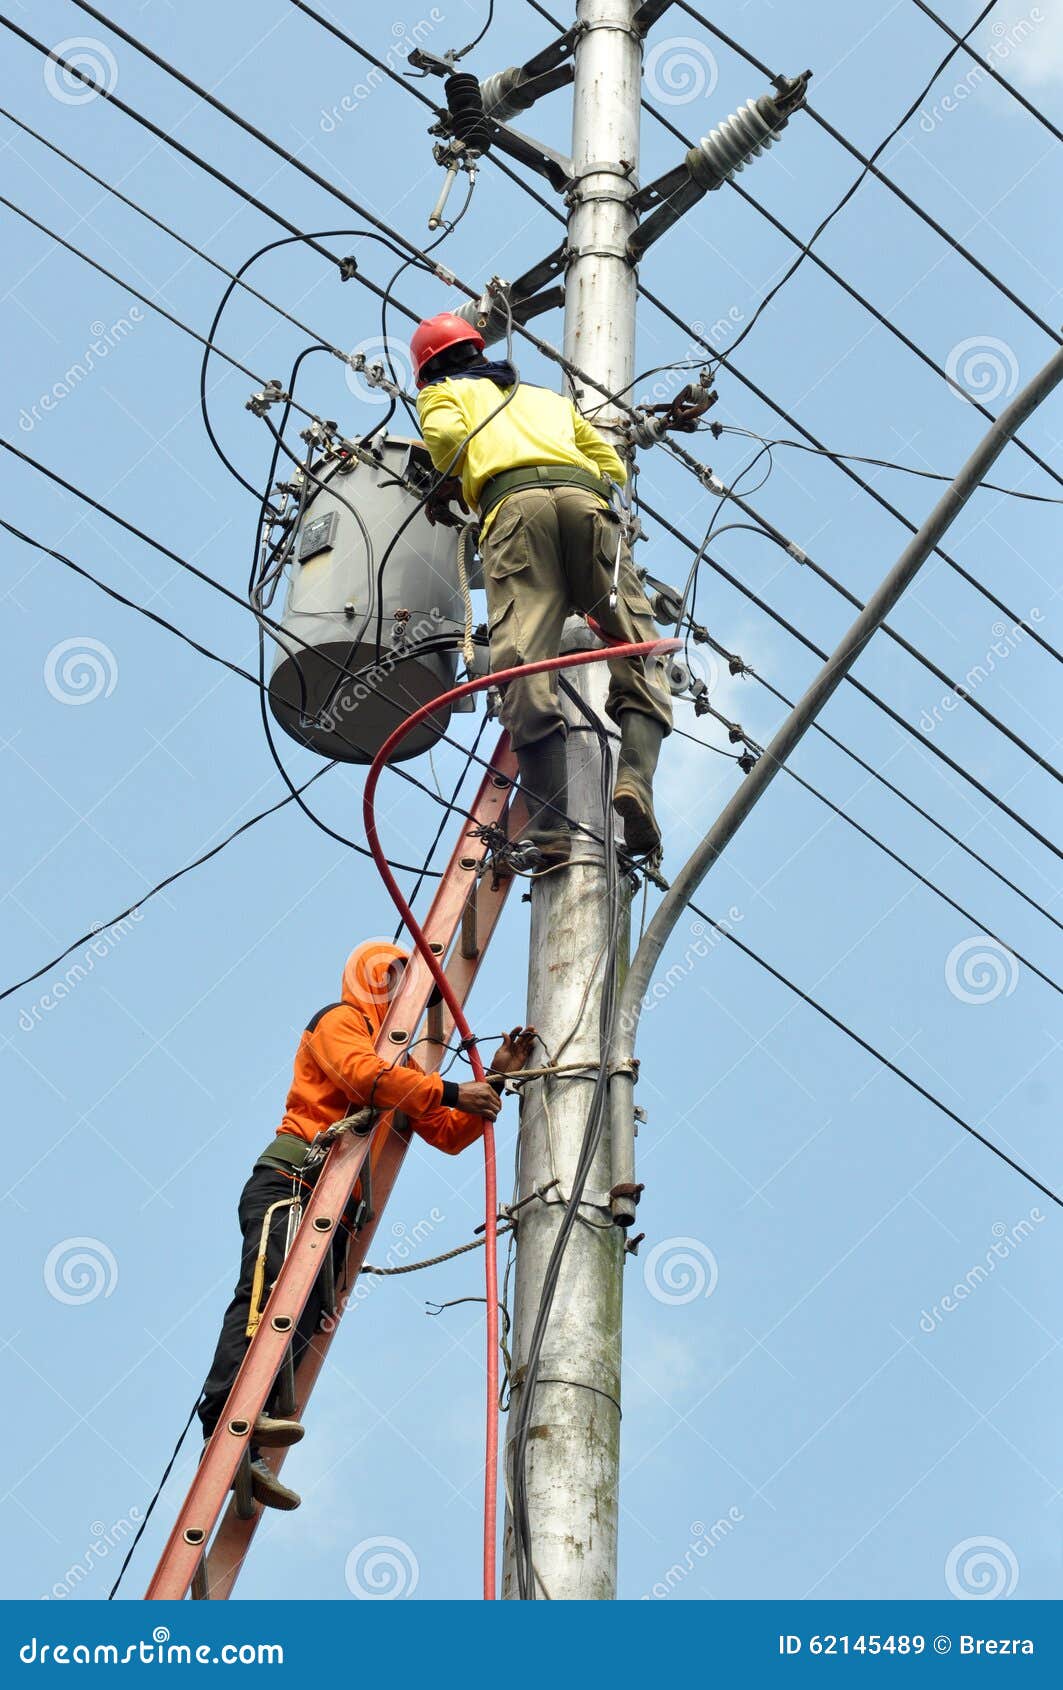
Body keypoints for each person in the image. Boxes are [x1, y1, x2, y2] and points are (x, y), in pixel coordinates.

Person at [198, 938, 535, 1511]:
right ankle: (225, 1417)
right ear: (365, 978)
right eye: (390, 977)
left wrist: (496, 1081)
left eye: (406, 980)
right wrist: (454, 1088)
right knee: (267, 1293)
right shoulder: (339, 1022)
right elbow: (361, 1075)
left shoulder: (399, 1070)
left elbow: (449, 1132)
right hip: (294, 1182)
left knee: (301, 1320)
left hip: (334, 1212)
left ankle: (251, 1442)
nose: (398, 989)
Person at [413, 311, 672, 864]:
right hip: (586, 506)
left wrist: (454, 486)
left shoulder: (440, 395)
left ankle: (551, 827)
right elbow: (612, 467)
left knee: (522, 662)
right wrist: (582, 480)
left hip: (515, 513)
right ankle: (635, 781)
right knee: (640, 646)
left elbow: (447, 442)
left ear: (429, 370)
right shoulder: (547, 401)